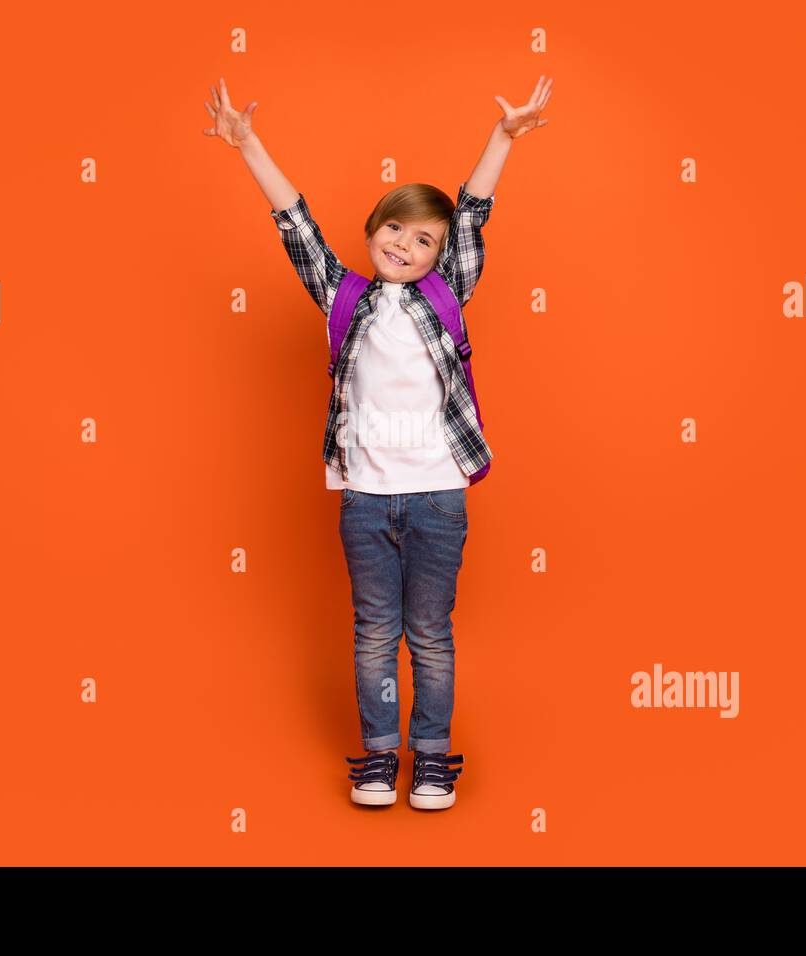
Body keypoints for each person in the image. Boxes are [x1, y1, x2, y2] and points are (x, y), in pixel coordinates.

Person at [202, 75, 552, 810]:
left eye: (423, 239)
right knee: (372, 634)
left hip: (436, 496)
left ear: (436, 256)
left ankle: (430, 760)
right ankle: (377, 759)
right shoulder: (345, 298)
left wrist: (503, 137)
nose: (406, 244)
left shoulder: (445, 294)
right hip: (364, 498)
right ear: (373, 230)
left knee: (429, 633)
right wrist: (247, 144)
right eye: (396, 228)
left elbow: (472, 219)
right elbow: (293, 222)